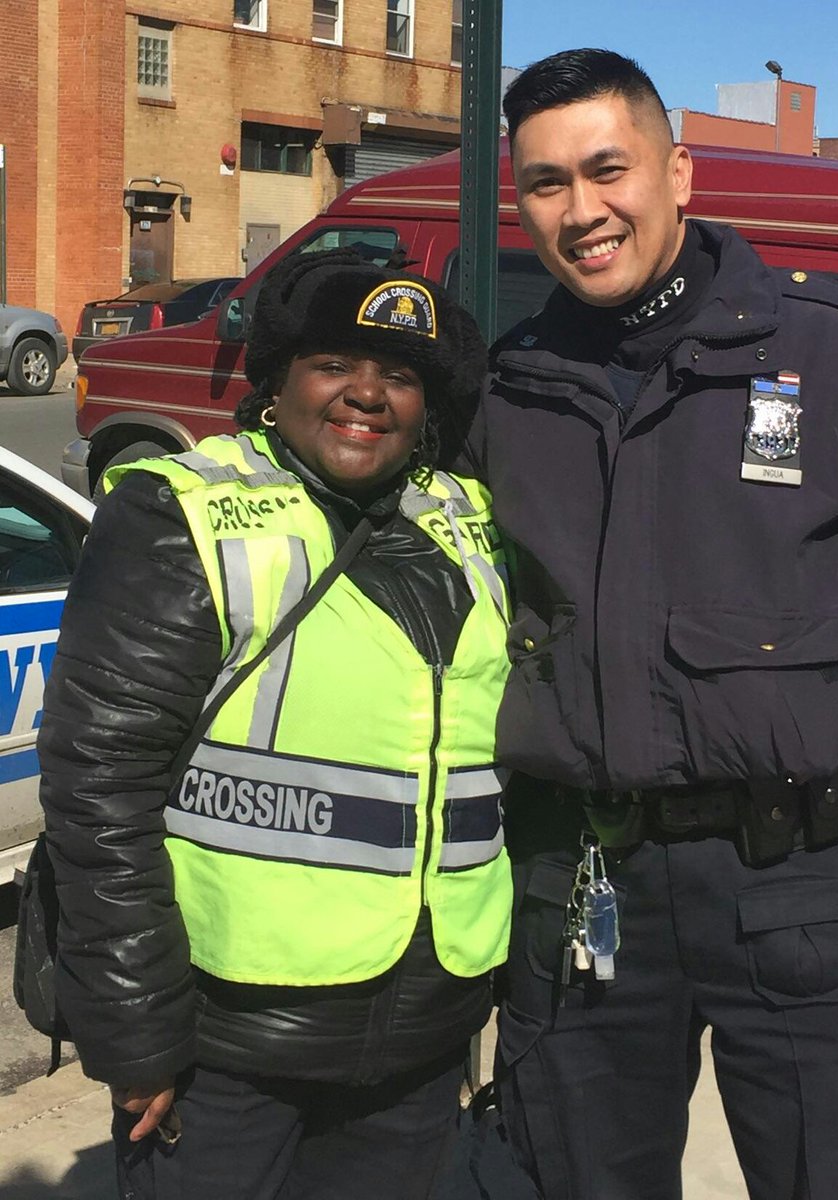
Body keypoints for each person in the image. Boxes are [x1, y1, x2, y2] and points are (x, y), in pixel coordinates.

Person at [464, 47, 838, 1200]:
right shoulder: (512, 388)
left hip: (799, 878)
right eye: (545, 184)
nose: (581, 212)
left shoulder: (834, 351)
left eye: (606, 170)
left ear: (678, 171)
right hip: (584, 876)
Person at [38, 249, 514, 1200]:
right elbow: (99, 791)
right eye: (336, 364)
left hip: (419, 1037)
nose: (368, 394)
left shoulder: (472, 522)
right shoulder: (182, 513)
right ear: (279, 379)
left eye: (403, 375)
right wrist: (137, 1033)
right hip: (223, 1051)